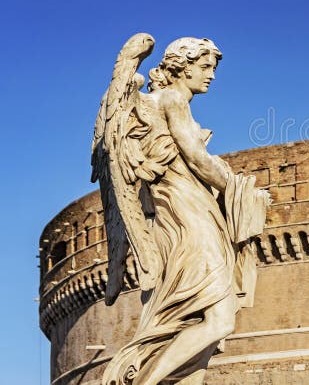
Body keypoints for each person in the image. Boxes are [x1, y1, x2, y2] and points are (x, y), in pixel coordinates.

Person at [100, 37, 268, 385]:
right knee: (220, 318)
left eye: (213, 69)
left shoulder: (157, 104)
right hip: (188, 219)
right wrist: (240, 188)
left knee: (195, 322)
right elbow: (196, 158)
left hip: (186, 215)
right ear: (182, 67)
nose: (211, 75)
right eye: (205, 67)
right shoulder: (172, 100)